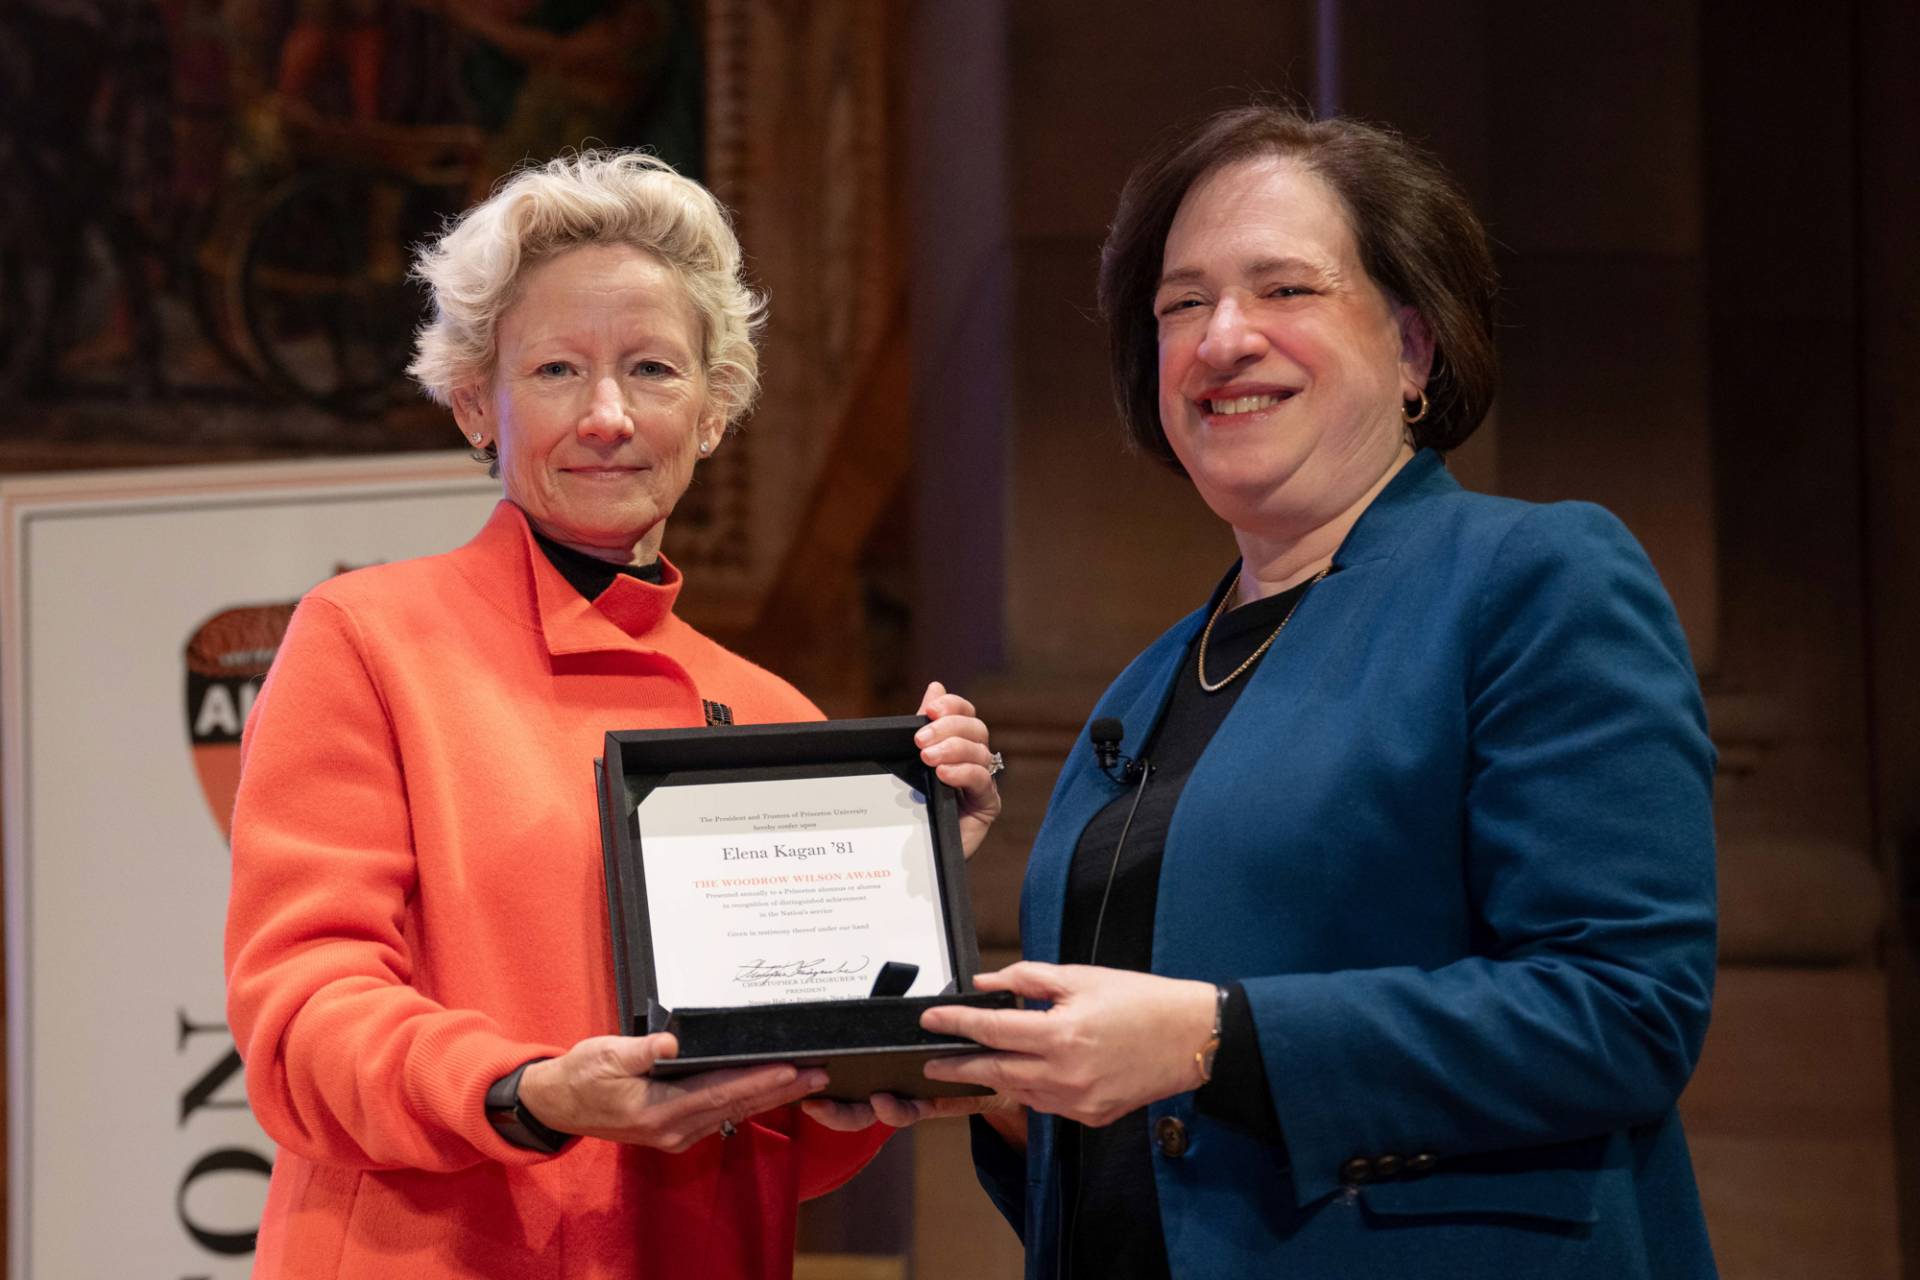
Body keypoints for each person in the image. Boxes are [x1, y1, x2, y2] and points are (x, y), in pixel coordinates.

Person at [915, 106, 1719, 1278]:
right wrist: (993, 1092)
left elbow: (1622, 1009)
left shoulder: (1533, 578)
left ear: (1414, 348)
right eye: (1182, 304)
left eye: (1284, 288)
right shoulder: (1149, 681)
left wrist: (1208, 1036)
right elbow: (1158, 1132)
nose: (1222, 337)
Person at [224, 150, 1001, 1279]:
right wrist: (529, 1091)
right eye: (553, 370)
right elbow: (300, 1022)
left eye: (651, 369)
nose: (606, 415)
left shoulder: (777, 712)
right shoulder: (367, 639)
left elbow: (792, 1144)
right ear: (470, 403)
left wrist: (910, 881)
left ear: (715, 410)